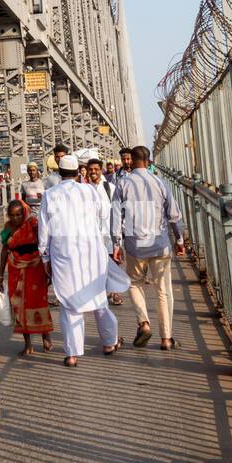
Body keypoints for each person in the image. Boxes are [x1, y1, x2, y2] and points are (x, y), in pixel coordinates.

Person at [38, 154, 120, 367]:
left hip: (63, 254)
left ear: (59, 172)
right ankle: (109, 342)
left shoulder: (50, 194)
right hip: (91, 251)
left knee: (69, 303)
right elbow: (102, 215)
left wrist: (44, 257)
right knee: (99, 299)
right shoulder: (89, 191)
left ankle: (72, 354)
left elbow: (43, 230)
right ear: (77, 172)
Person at [111, 145, 183, 351]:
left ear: (131, 160)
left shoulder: (123, 183)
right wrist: (179, 240)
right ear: (148, 160)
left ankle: (144, 323)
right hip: (160, 244)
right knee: (163, 291)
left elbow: (116, 217)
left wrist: (116, 244)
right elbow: (174, 215)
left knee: (134, 283)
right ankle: (166, 338)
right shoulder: (160, 183)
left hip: (135, 245)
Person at [0, 199, 53, 356]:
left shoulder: (33, 224)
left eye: (18, 214)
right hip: (15, 269)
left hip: (35, 268)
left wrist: (48, 268)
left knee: (38, 302)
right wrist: (0, 275)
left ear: (24, 213)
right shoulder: (8, 227)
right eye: (12, 215)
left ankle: (45, 335)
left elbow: (44, 244)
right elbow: (4, 250)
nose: (15, 218)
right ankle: (28, 344)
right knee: (18, 306)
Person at [86, 155, 125, 305]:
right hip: (91, 234)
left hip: (108, 233)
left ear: (101, 170)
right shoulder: (84, 190)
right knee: (95, 265)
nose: (93, 172)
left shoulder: (110, 188)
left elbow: (118, 211)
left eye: (96, 169)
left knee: (113, 263)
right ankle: (99, 293)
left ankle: (115, 293)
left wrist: (119, 233)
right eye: (90, 169)